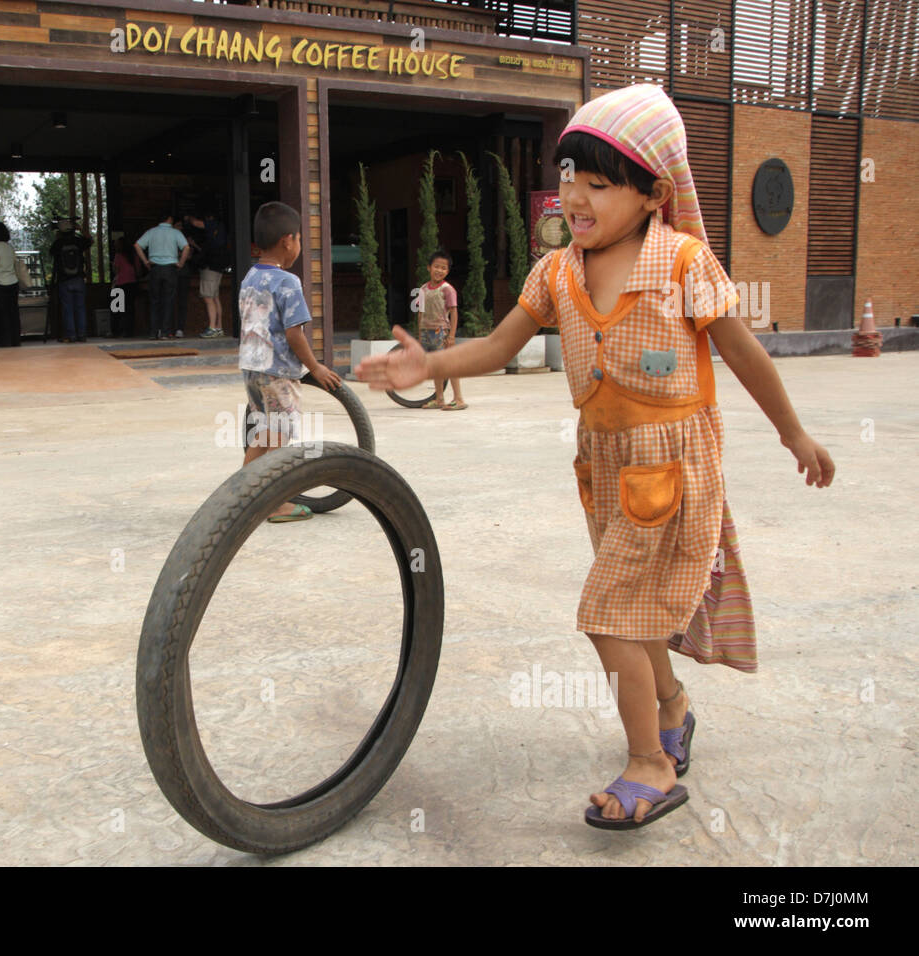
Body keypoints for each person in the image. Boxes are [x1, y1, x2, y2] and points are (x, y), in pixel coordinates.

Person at [356, 84, 836, 828]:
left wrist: (793, 433)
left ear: (652, 194)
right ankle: (672, 712)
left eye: (600, 183)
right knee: (638, 616)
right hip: (604, 469)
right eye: (570, 177)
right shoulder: (557, 273)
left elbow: (744, 354)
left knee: (609, 611)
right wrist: (433, 367)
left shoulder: (682, 263)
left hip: (674, 463)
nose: (575, 196)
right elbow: (497, 345)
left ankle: (650, 762)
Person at [238, 201, 342, 522]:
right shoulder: (289, 282)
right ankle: (278, 503)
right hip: (279, 372)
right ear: (288, 240)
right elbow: (295, 335)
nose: (299, 245)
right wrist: (316, 367)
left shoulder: (250, 276)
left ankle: (242, 495)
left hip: (252, 367)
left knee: (264, 433)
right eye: (300, 239)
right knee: (281, 437)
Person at [416, 249, 466, 410]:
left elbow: (453, 312)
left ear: (447, 271)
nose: (439, 270)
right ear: (429, 268)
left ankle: (458, 399)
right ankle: (439, 399)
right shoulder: (423, 289)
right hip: (426, 332)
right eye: (436, 266)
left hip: (441, 332)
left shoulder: (448, 289)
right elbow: (420, 313)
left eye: (443, 268)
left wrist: (451, 335)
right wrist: (419, 334)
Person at [135, 213, 189, 340]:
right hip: (170, 268)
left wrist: (145, 262)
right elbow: (186, 247)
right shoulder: (175, 233)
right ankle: (165, 332)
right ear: (169, 219)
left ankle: (153, 332)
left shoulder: (151, 232)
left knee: (154, 301)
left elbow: (137, 245)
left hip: (154, 268)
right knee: (168, 301)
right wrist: (180, 263)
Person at [186, 210, 229, 337]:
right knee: (215, 297)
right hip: (219, 267)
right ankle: (219, 327)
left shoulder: (213, 225)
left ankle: (212, 328)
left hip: (210, 268)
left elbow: (197, 223)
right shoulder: (221, 232)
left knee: (208, 298)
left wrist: (189, 217)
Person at [51, 218, 92, 343]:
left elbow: (51, 253)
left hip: (64, 280)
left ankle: (71, 335)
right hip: (79, 278)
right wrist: (80, 229)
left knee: (67, 308)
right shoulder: (78, 242)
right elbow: (90, 241)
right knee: (80, 307)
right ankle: (82, 334)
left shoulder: (58, 244)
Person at [110, 237, 138, 338]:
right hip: (132, 283)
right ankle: (129, 331)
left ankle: (116, 331)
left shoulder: (118, 256)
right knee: (129, 309)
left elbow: (116, 271)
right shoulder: (133, 256)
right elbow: (138, 270)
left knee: (117, 309)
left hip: (120, 284)